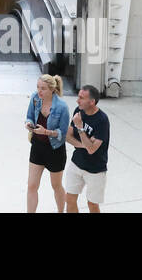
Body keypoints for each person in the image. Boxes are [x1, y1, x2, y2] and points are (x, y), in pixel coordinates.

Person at [25, 74, 71, 213]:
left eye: (43, 88)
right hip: (37, 147)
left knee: (56, 185)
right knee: (32, 185)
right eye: (38, 87)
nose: (39, 91)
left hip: (55, 150)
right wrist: (29, 123)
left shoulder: (62, 107)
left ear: (52, 89)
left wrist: (46, 132)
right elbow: (29, 116)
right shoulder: (35, 98)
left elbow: (62, 133)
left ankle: (60, 211)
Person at [64, 84, 110, 213]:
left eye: (82, 98)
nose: (78, 100)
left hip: (96, 169)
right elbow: (68, 136)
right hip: (77, 163)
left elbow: (92, 150)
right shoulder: (78, 112)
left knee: (92, 205)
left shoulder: (102, 120)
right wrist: (85, 144)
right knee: (70, 199)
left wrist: (80, 128)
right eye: (78, 96)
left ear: (92, 102)